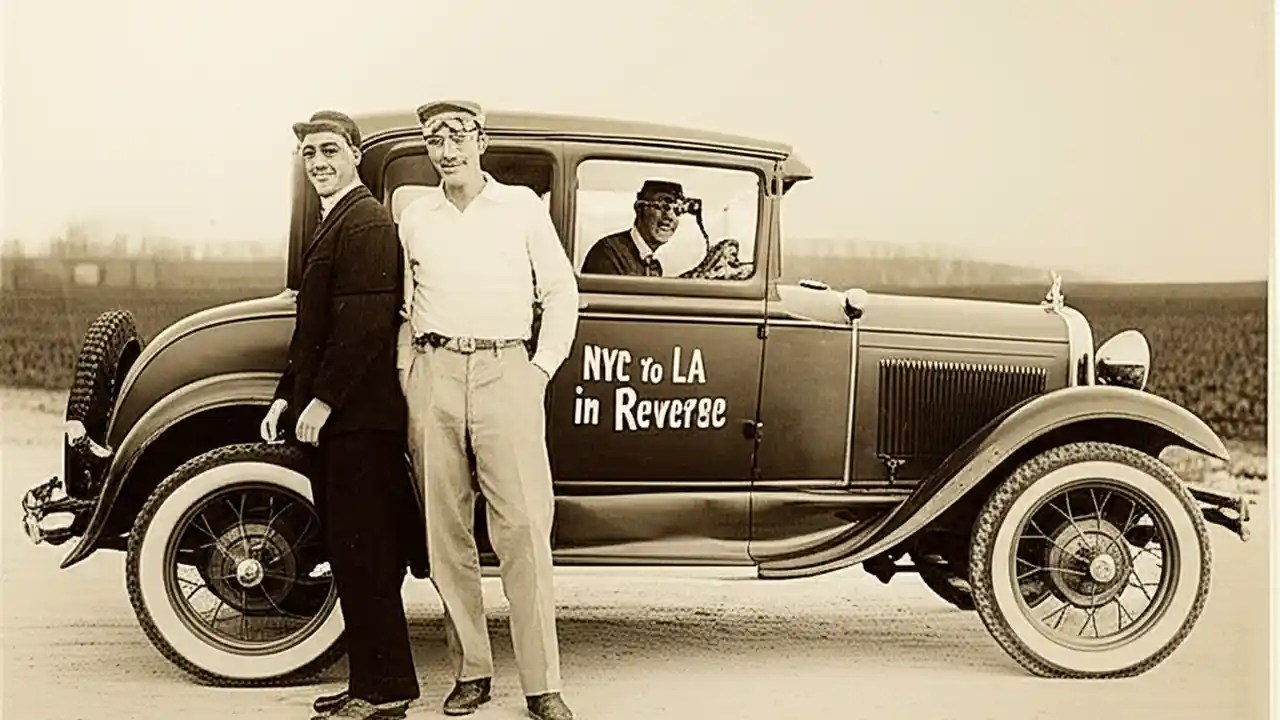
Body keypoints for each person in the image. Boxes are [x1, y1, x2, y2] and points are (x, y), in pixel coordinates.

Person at [397, 99, 579, 720]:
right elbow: (402, 304)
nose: (446, 150)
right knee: (446, 532)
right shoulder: (415, 216)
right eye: (434, 139)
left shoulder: (522, 208)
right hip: (436, 371)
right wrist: (410, 377)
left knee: (525, 528)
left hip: (507, 370)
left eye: (457, 136)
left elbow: (560, 293)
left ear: (481, 140)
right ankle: (471, 671)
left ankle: (542, 685)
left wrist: (539, 370)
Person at [260, 109, 421, 720]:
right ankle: (370, 686)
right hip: (342, 418)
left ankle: (388, 692)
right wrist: (286, 394)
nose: (319, 162)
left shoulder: (369, 223)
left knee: (368, 554)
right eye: (309, 154)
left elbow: (363, 328)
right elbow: (313, 329)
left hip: (359, 421)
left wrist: (322, 401)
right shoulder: (337, 223)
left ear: (356, 154)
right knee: (354, 553)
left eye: (330, 150)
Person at [580, 179, 692, 276]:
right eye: (663, 206)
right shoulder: (608, 253)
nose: (670, 217)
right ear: (639, 208)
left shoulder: (654, 266)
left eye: (678, 210)